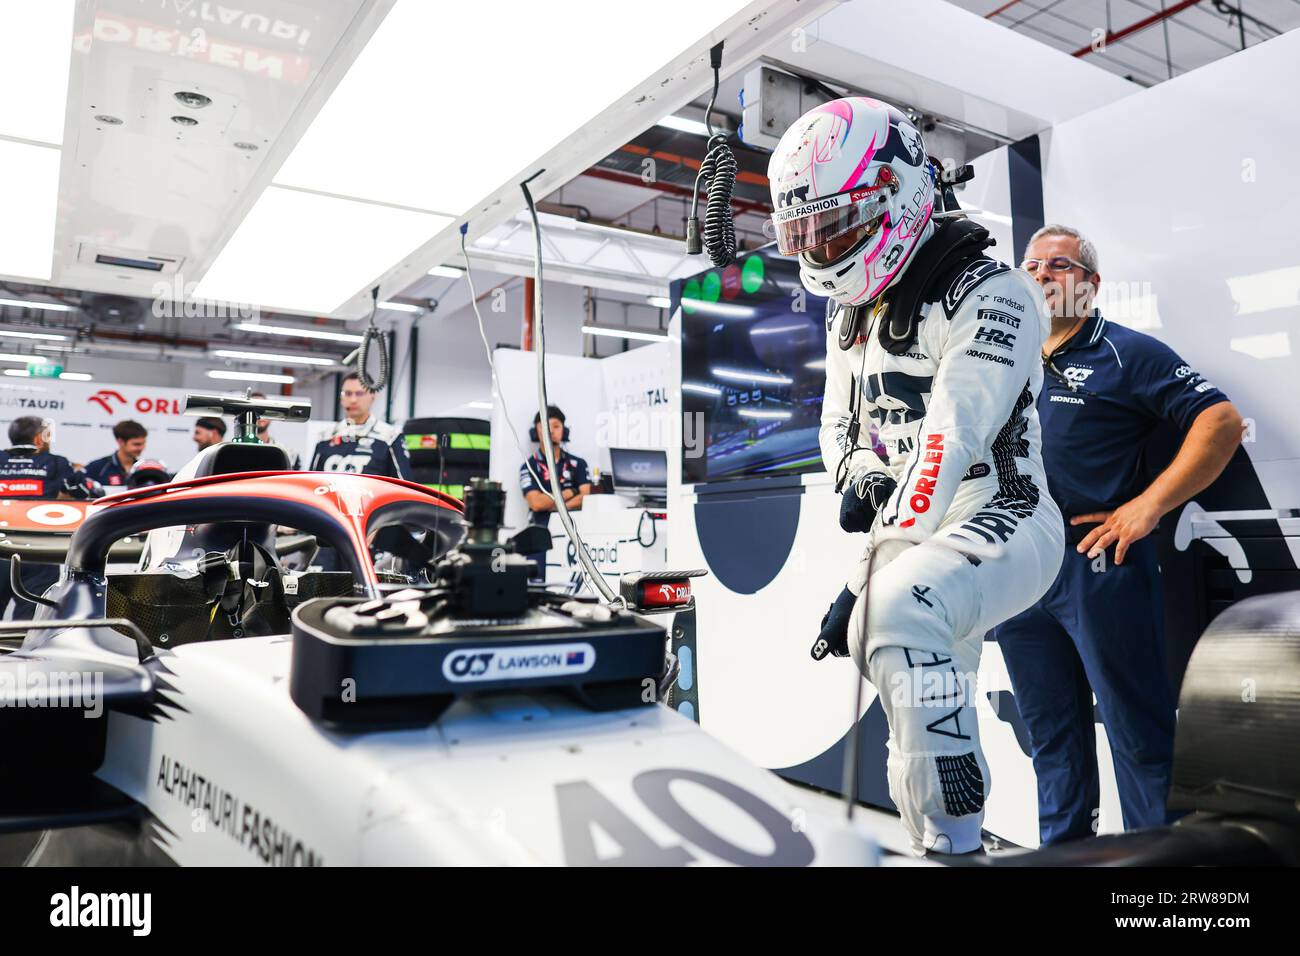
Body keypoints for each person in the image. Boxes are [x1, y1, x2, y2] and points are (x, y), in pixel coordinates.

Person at [771, 96, 1064, 856]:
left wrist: (863, 580)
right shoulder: (851, 314)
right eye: (805, 230)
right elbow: (836, 427)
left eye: (836, 223)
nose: (821, 245)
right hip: (918, 529)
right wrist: (861, 468)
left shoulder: (993, 293)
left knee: (892, 611)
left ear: (898, 194)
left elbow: (951, 440)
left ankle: (953, 837)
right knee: (919, 710)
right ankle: (950, 842)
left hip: (1005, 512)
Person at [991, 224, 1243, 846]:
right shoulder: (1003, 362)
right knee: (1053, 739)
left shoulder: (1126, 352)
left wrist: (1146, 507)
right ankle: (1065, 857)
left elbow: (1222, 422)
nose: (1043, 276)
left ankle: (1159, 883)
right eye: (1031, 267)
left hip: (1096, 567)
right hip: (1018, 572)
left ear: (1092, 284)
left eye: (1060, 266)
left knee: (1138, 736)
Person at [0, 416, 100, 619]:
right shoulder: (56, 463)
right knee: (28, 627)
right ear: (39, 439)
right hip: (37, 552)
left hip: (2, 547)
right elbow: (92, 493)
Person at [309, 373, 412, 479]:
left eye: (359, 393)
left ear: (373, 395)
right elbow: (311, 482)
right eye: (348, 394)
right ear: (341, 397)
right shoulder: (326, 437)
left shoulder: (390, 437)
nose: (353, 400)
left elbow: (405, 486)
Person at [519, 406, 592, 526]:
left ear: (564, 430)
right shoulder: (528, 467)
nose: (551, 431)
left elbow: (586, 496)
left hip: (575, 528)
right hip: (542, 531)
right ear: (535, 431)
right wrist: (570, 492)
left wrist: (558, 510)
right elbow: (536, 503)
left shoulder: (579, 463)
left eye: (556, 426)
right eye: (544, 426)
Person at [85, 420, 147, 488]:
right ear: (121, 442)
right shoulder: (97, 467)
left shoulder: (144, 469)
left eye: (143, 443)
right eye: (136, 444)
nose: (141, 448)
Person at [250, 391, 301, 469]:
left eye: (264, 410)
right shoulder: (233, 451)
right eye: (255, 411)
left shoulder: (287, 453)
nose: (260, 416)